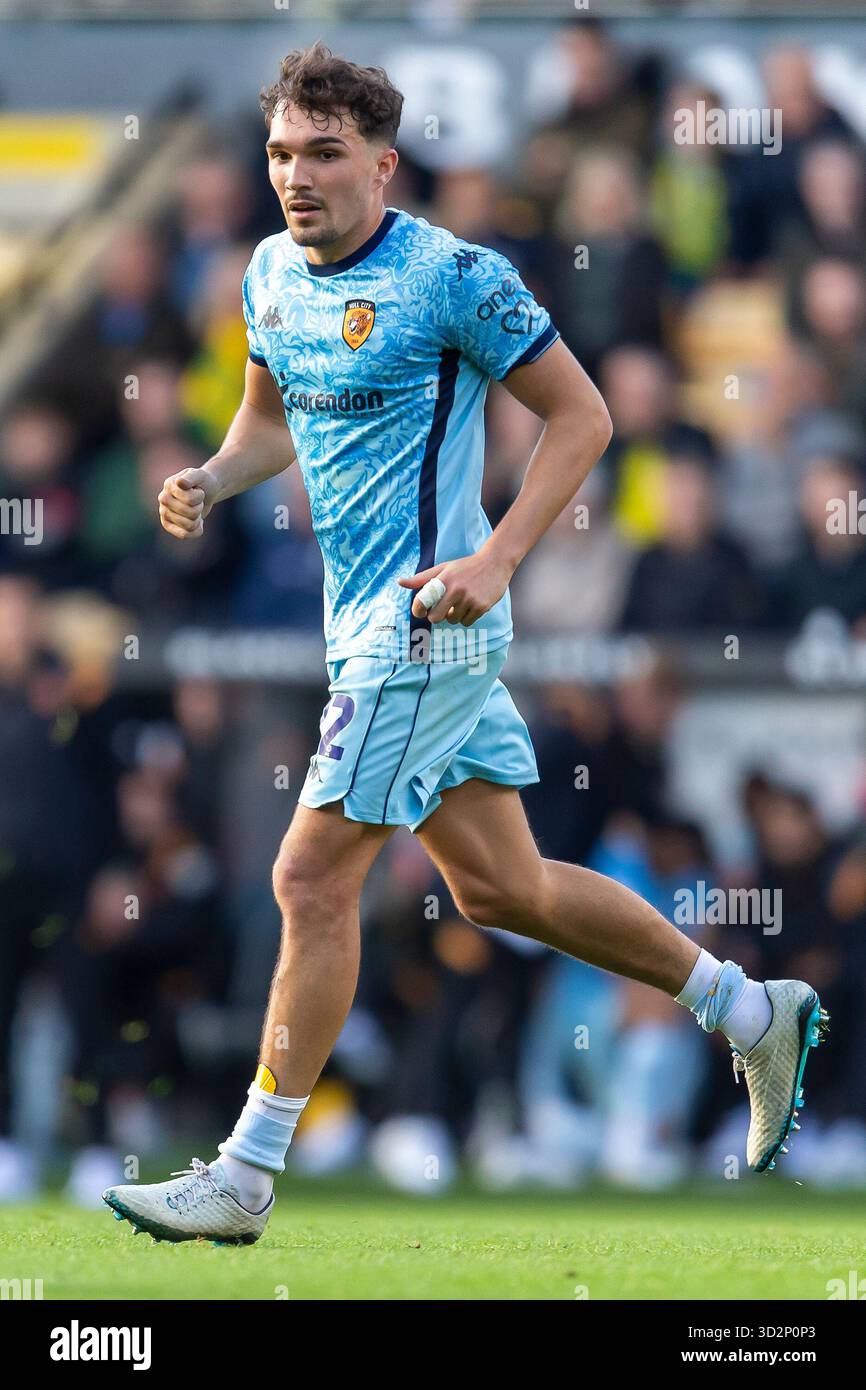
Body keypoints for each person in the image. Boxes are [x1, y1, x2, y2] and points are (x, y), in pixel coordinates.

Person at [103, 43, 827, 1245]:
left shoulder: (453, 275)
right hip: (363, 633)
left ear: (381, 164)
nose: (295, 174)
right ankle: (750, 1009)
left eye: (324, 153)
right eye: (282, 152)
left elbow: (582, 418)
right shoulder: (268, 273)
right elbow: (266, 421)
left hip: (428, 623)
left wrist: (494, 560)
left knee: (306, 877)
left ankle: (245, 1173)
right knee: (502, 887)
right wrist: (211, 479)